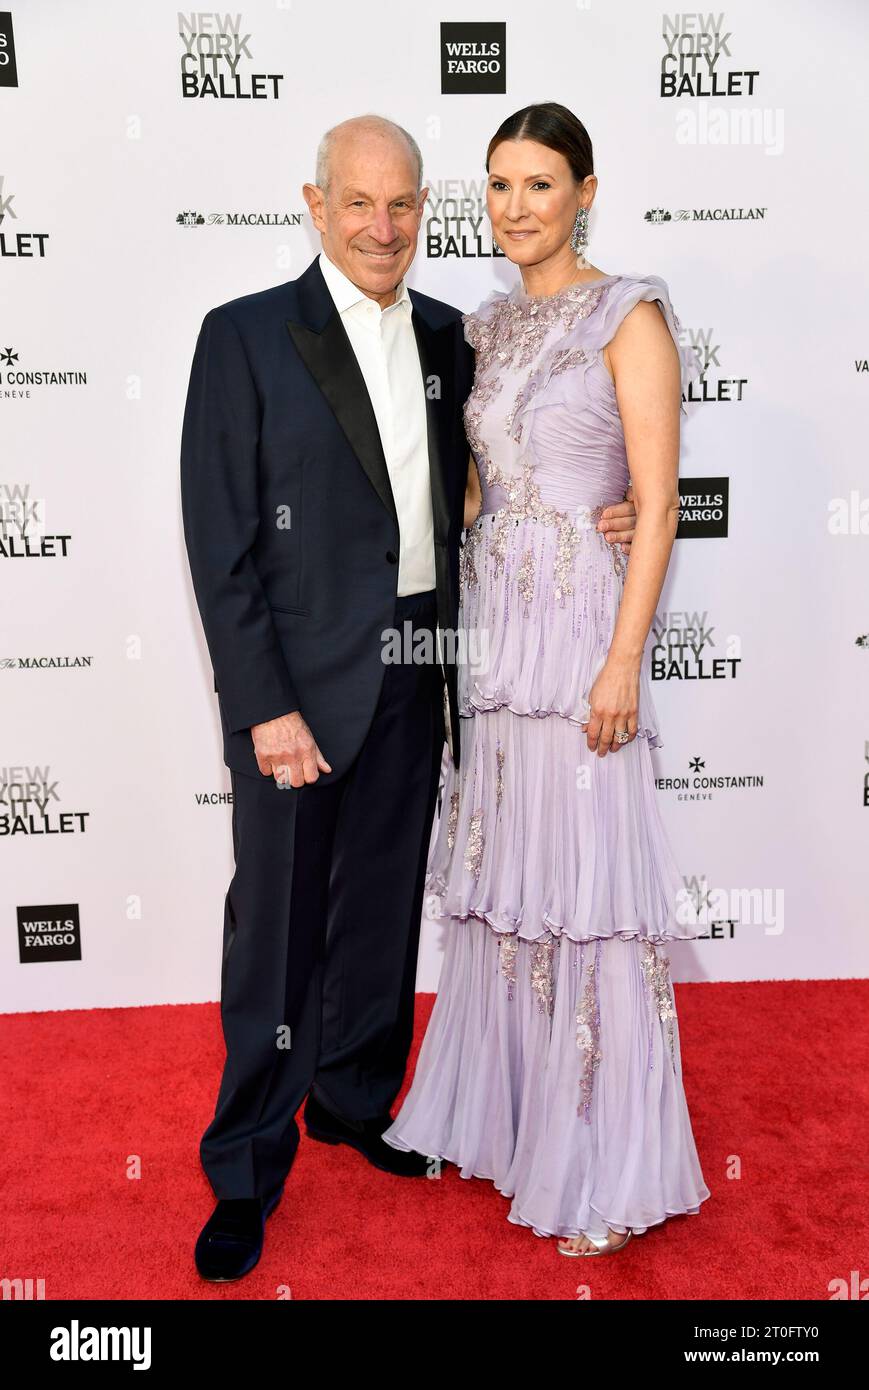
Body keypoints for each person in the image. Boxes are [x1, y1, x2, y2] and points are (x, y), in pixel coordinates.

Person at [180, 110, 643, 1280]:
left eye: (403, 206)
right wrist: (260, 704)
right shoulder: (243, 338)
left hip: (424, 676)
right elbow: (218, 545)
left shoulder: (451, 335)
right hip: (295, 692)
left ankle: (349, 1099)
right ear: (314, 202)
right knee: (274, 938)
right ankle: (243, 1164)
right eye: (359, 204)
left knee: (382, 916)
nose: (382, 227)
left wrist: (614, 510)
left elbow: (498, 479)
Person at [383, 101, 711, 1256]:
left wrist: (623, 657)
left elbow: (657, 503)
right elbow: (483, 486)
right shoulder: (486, 326)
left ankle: (601, 1160)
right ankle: (512, 1125)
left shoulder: (630, 315)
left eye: (537, 184)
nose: (514, 207)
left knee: (585, 892)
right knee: (505, 880)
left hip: (579, 636)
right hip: (495, 636)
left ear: (583, 190)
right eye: (497, 185)